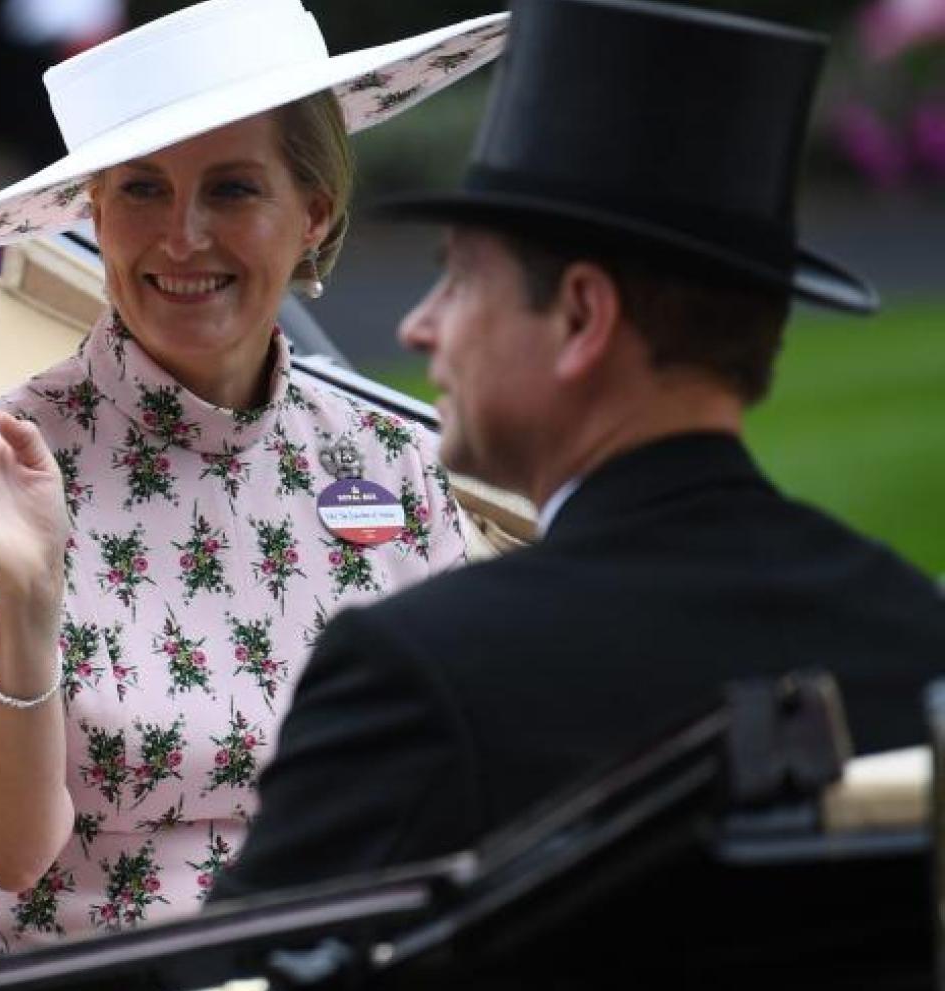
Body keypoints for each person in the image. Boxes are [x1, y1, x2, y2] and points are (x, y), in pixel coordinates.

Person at [213, 0, 945, 901]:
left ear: (582, 318)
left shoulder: (423, 675)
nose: (419, 325)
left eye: (458, 277)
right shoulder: (917, 635)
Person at [0, 0, 507, 960]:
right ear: (93, 215)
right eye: (141, 191)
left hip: (356, 981)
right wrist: (29, 597)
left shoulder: (392, 458)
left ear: (314, 215)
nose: (181, 237)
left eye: (233, 190)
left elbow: (467, 775)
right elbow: (6, 853)